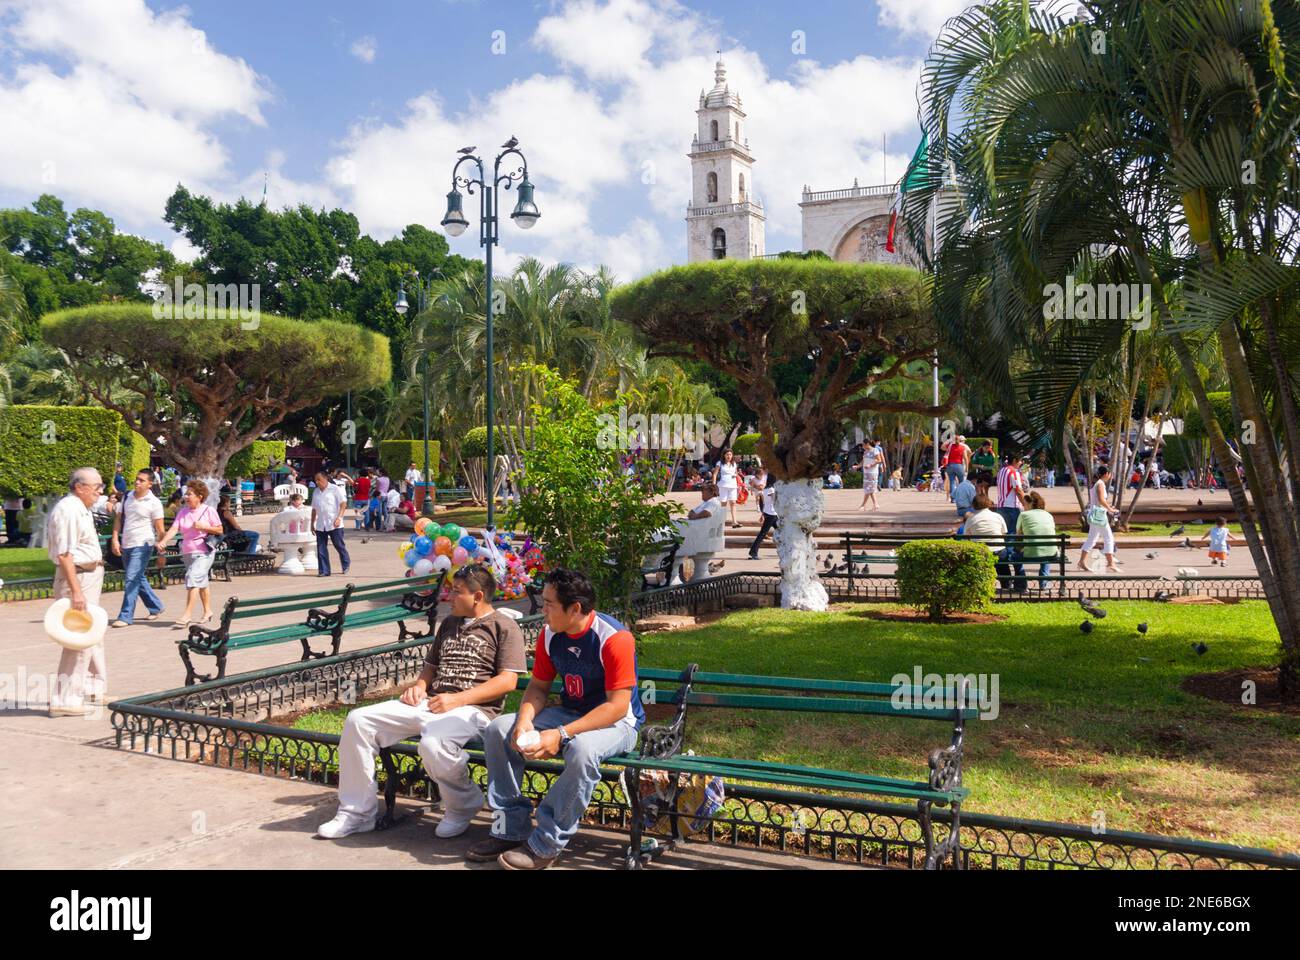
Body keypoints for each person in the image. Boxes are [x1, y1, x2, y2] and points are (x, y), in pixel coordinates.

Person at [318, 565, 527, 840]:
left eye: (456, 592)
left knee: (433, 743)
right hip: (431, 703)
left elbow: (508, 681)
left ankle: (462, 804)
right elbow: (430, 667)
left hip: (473, 711)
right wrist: (418, 687)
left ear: (477, 597)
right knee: (359, 720)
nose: (448, 597)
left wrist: (458, 699)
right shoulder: (450, 622)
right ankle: (357, 814)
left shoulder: (504, 626)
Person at [472, 568, 643, 870]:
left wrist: (561, 734)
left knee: (582, 750)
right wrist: (525, 720)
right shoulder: (550, 634)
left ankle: (546, 844)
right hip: (570, 713)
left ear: (574, 608)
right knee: (499, 729)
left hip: (618, 723)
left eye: (549, 603)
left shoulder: (615, 638)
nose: (543, 609)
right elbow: (538, 687)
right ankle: (511, 828)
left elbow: (617, 707)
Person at [47, 468, 109, 716]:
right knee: (79, 638)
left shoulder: (79, 508)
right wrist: (76, 592)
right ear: (79, 487)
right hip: (79, 578)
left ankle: (91, 687)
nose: (100, 491)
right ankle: (65, 699)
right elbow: (64, 554)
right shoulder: (68, 509)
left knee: (93, 634)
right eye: (97, 486)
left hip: (88, 575)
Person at [156, 480, 223, 627]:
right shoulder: (183, 512)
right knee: (201, 581)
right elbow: (174, 529)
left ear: (199, 496)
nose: (186, 497)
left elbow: (219, 530)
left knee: (192, 578)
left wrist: (205, 527)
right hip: (188, 552)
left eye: (189, 494)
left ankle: (187, 615)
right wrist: (164, 541)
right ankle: (207, 611)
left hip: (204, 552)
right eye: (186, 494)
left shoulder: (208, 510)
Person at [109, 468, 166, 627]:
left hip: (143, 544)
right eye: (136, 479)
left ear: (150, 483)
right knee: (136, 577)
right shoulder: (127, 497)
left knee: (131, 579)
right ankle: (156, 606)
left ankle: (125, 616)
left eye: (141, 480)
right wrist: (115, 539)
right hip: (127, 542)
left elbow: (160, 529)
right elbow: (119, 519)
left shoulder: (154, 503)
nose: (137, 482)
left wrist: (162, 549)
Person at [960, 492, 1012, 587]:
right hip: (999, 551)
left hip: (981, 552)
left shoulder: (971, 519)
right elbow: (1004, 533)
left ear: (974, 505)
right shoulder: (997, 516)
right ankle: (1007, 584)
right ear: (988, 503)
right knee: (1003, 565)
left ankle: (983, 586)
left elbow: (966, 537)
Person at [1077, 467, 1121, 573]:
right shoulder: (1100, 483)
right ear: (1106, 474)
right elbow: (1101, 500)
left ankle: (1082, 562)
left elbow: (1098, 501)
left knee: (1092, 539)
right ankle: (1111, 563)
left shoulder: (1096, 483)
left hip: (1095, 515)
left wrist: (1109, 508)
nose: (1111, 476)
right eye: (1110, 474)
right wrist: (1110, 509)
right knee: (1109, 538)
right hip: (1099, 516)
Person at [1014, 491, 1058, 591]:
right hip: (1051, 553)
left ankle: (1022, 585)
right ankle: (1044, 584)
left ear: (1030, 504)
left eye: (1024, 504)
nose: (1023, 507)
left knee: (1014, 556)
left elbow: (1018, 535)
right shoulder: (1048, 515)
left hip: (1030, 553)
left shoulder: (1024, 515)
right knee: (1046, 553)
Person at [309, 471, 350, 576]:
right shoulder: (316, 492)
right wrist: (312, 523)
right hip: (320, 524)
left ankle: (345, 563)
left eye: (319, 480)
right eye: (316, 480)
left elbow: (343, 504)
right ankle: (324, 571)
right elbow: (314, 509)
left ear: (325, 479)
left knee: (339, 545)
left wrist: (339, 517)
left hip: (334, 523)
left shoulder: (335, 489)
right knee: (321, 548)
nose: (317, 482)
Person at [746, 467, 778, 560]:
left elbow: (765, 503)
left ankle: (787, 550)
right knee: (763, 534)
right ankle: (753, 552)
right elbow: (776, 500)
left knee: (781, 532)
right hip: (771, 515)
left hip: (771, 514)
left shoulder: (766, 489)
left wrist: (763, 514)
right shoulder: (771, 490)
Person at [711, 448, 742, 528]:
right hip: (723, 486)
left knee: (733, 503)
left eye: (730, 454)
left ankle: (734, 522)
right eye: (727, 454)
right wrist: (714, 485)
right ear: (724, 455)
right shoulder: (720, 463)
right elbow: (714, 474)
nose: (729, 456)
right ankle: (721, 521)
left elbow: (736, 474)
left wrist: (740, 483)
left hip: (733, 485)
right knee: (723, 504)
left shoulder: (734, 464)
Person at [995, 454, 1027, 531]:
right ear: (1014, 461)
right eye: (1019, 461)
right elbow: (1018, 491)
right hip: (1012, 508)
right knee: (1012, 535)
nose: (1021, 463)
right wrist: (1026, 505)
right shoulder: (1014, 472)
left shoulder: (1001, 471)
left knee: (1004, 534)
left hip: (1000, 506)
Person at [859, 440, 884, 511]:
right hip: (866, 472)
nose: (862, 446)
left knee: (869, 489)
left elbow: (879, 460)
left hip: (872, 472)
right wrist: (857, 466)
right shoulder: (865, 452)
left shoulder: (875, 450)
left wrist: (870, 465)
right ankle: (875, 504)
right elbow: (863, 461)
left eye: (863, 445)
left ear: (867, 444)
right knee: (869, 489)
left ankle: (863, 505)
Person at [946, 435, 971, 499]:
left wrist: (949, 440)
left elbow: (943, 447)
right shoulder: (962, 447)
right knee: (961, 482)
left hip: (950, 465)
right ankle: (961, 497)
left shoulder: (950, 446)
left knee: (952, 482)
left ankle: (953, 498)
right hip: (959, 466)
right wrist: (967, 468)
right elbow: (965, 458)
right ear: (960, 440)